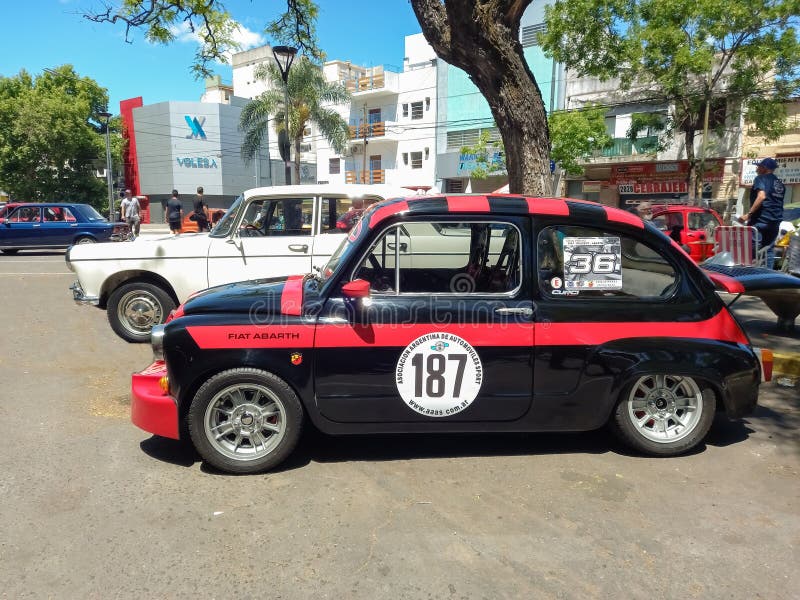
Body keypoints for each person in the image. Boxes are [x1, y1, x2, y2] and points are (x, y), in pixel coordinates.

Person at [740, 157, 785, 268]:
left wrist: (748, 214)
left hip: (760, 221)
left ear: (764, 168)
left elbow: (761, 196)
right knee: (768, 250)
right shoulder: (780, 183)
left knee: (752, 248)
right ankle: (767, 276)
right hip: (774, 222)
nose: (757, 168)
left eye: (759, 166)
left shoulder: (761, 179)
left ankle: (750, 274)